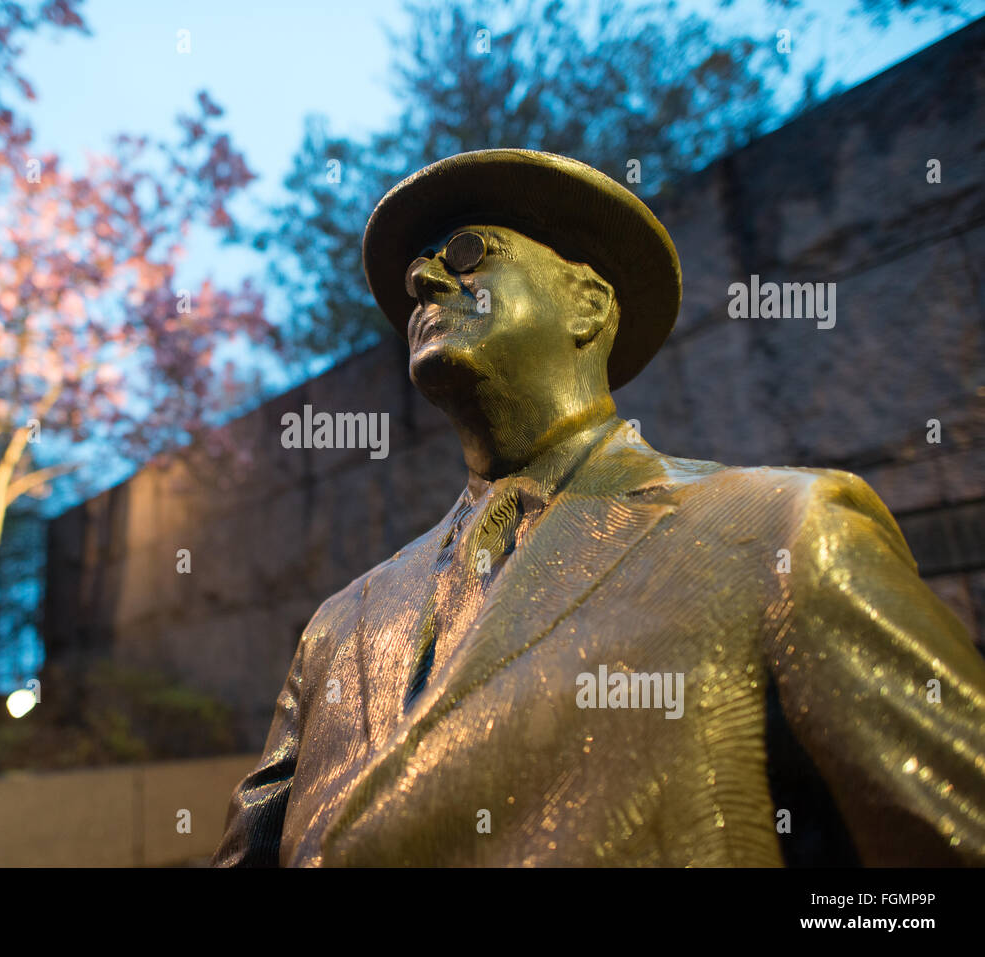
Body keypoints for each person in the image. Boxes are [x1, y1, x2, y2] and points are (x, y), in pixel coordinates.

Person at [213, 149, 985, 867]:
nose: (423, 281)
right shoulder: (338, 625)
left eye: (467, 254)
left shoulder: (781, 532)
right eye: (418, 269)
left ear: (588, 304)